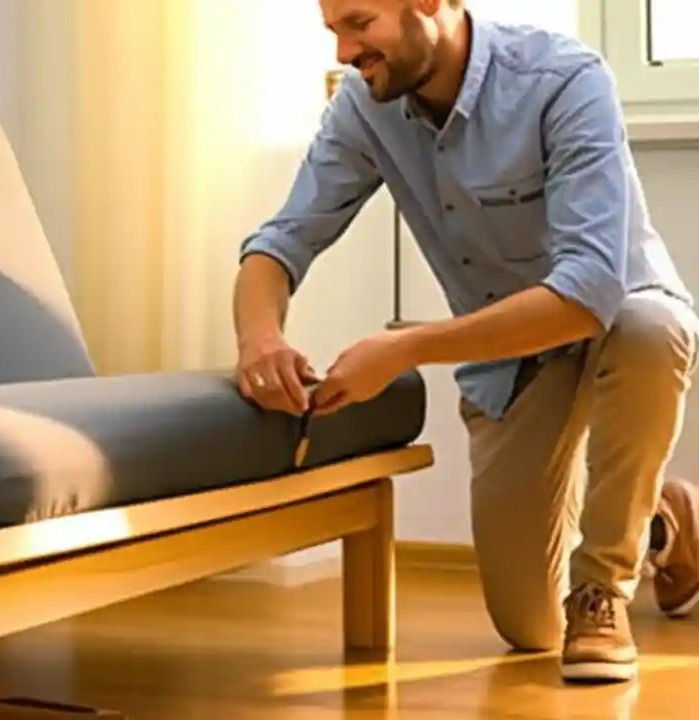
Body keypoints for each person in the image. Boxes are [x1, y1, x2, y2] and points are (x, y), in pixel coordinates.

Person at [232, 0, 699, 683]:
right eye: (333, 30)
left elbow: (590, 287)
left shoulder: (564, 78)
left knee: (655, 330)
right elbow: (281, 241)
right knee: (532, 626)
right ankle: (662, 521)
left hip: (614, 322)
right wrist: (259, 339)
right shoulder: (365, 106)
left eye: (359, 24)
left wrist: (404, 347)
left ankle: (602, 586)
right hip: (511, 366)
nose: (342, 53)